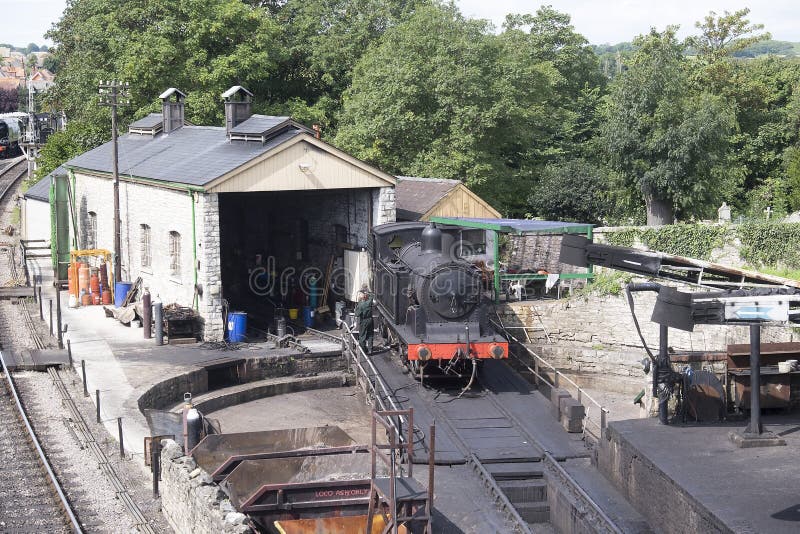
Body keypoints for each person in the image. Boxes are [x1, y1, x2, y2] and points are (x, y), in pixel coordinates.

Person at [355, 289, 374, 354]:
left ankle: (363, 350)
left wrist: (357, 305)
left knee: (362, 336)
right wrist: (367, 292)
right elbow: (372, 296)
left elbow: (357, 314)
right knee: (370, 334)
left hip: (364, 321)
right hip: (370, 320)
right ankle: (370, 350)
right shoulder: (369, 301)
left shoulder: (360, 304)